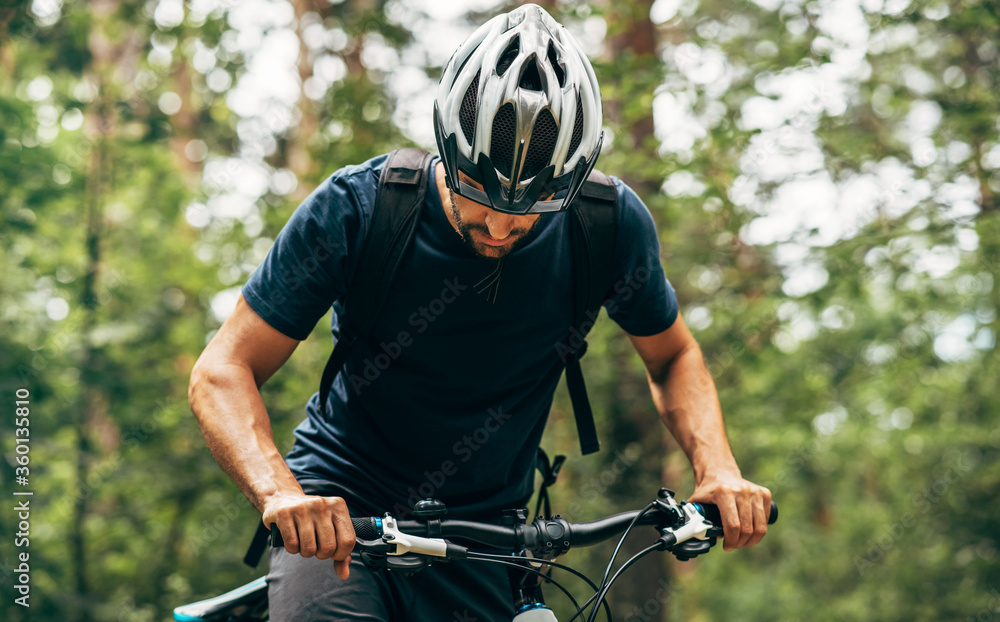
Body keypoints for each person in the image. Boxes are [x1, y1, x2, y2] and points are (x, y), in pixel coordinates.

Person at [188, 4, 771, 620]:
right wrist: (280, 494)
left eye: (532, 208)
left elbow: (672, 356)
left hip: (491, 535)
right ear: (446, 147)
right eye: (476, 193)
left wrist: (718, 468)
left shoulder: (607, 227)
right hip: (343, 514)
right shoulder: (359, 210)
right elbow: (222, 370)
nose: (498, 226)